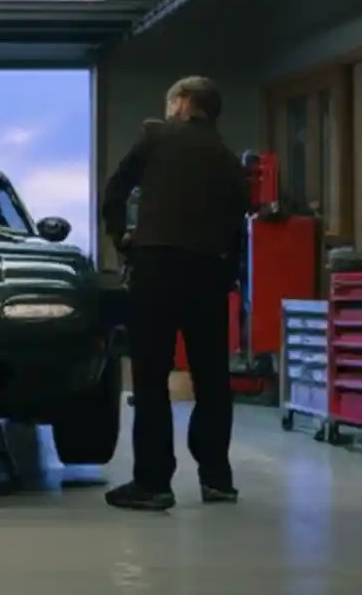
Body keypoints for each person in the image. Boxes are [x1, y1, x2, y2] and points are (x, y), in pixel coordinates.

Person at [100, 76, 250, 511]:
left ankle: (153, 482)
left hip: (157, 267)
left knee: (151, 376)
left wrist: (121, 236)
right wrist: (226, 270)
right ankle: (217, 479)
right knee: (212, 377)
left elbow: (115, 189)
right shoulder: (227, 158)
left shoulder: (157, 136)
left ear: (183, 103)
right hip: (209, 270)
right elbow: (238, 220)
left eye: (170, 103)